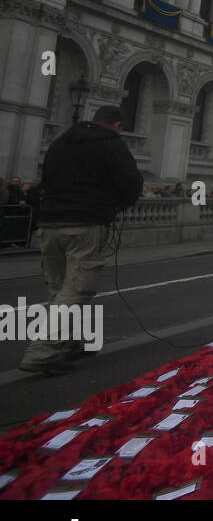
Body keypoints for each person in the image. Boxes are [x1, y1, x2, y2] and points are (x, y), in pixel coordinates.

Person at [20, 105, 142, 375]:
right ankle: (42, 352)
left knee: (58, 288)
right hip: (84, 223)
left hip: (49, 225)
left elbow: (45, 182)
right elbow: (131, 183)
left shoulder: (60, 142)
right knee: (76, 290)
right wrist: (116, 205)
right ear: (117, 125)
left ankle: (69, 344)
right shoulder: (111, 144)